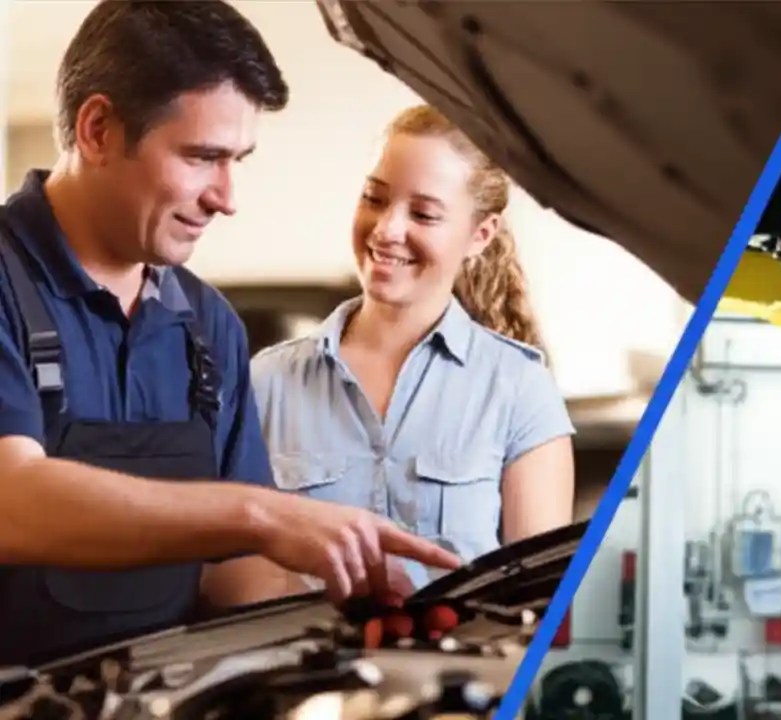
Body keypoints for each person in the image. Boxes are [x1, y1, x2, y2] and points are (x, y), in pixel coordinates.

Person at [0, 1, 461, 668]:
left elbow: (230, 570)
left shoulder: (207, 323)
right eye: (202, 157)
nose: (226, 196)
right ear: (98, 130)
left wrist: (335, 602)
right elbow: (12, 502)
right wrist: (261, 515)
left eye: (236, 160)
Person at [251, 105, 576, 590]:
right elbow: (235, 577)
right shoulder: (267, 383)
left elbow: (537, 593)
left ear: (480, 235)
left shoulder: (521, 389)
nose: (386, 229)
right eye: (374, 198)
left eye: (423, 214)